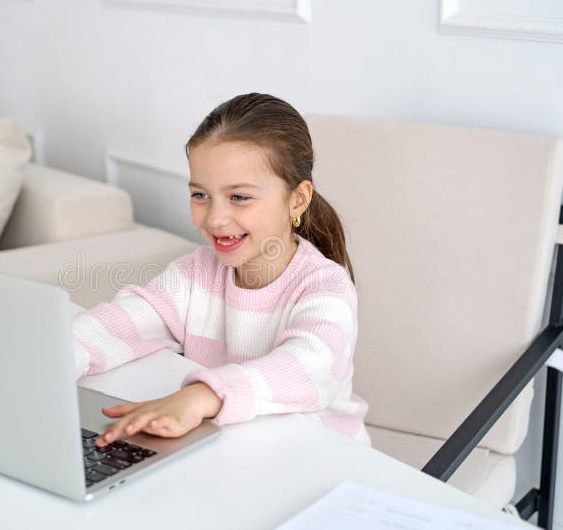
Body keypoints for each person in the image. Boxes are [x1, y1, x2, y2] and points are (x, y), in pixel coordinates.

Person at [72, 92, 370, 448]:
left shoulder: (326, 288)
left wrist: (201, 397)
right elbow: (121, 323)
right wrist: (56, 356)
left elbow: (306, 369)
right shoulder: (194, 274)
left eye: (239, 197)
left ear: (298, 200)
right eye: (200, 195)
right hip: (232, 451)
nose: (214, 218)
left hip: (322, 461)